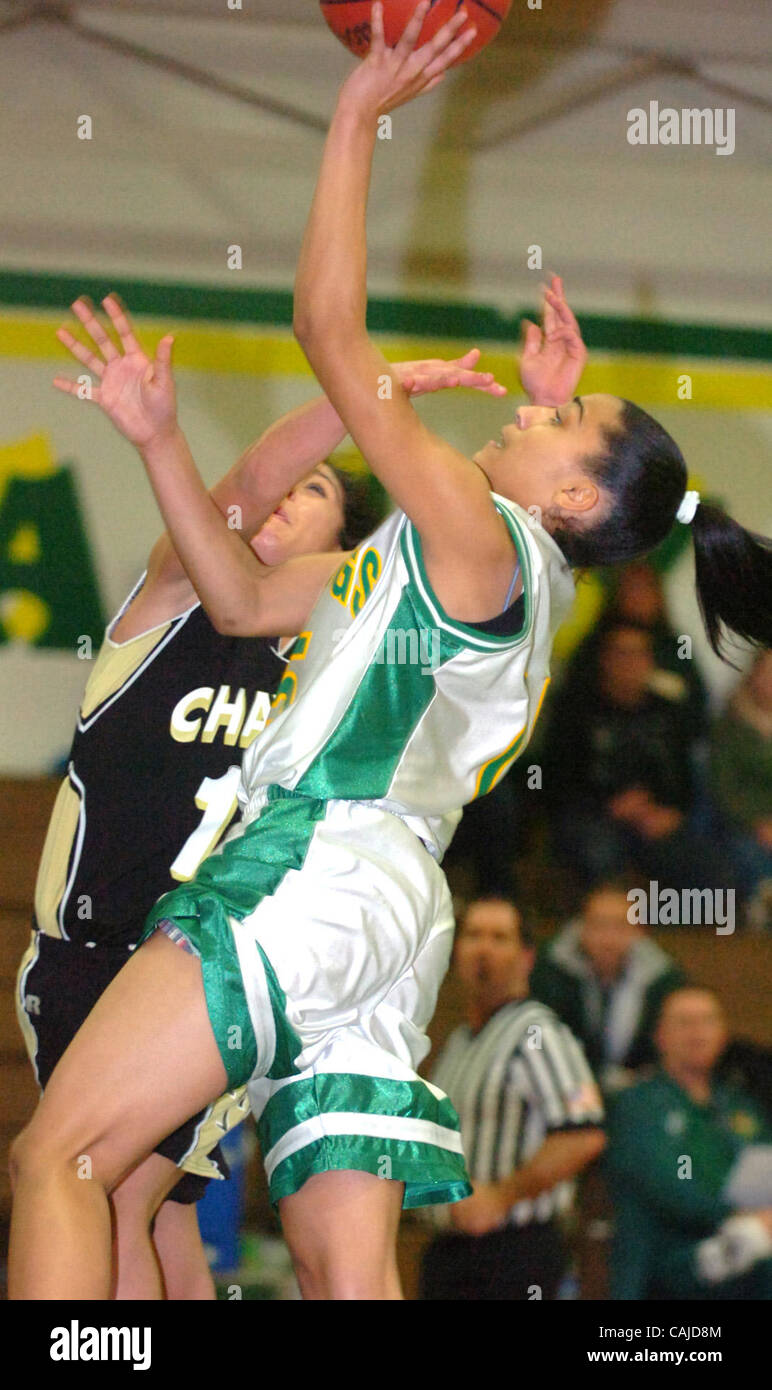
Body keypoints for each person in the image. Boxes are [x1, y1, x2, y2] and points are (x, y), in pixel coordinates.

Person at [9, 3, 772, 1302]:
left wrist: (356, 120)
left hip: (309, 868)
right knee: (306, 1248)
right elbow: (242, 598)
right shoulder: (463, 575)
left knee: (57, 1162)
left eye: (560, 416)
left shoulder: (480, 542)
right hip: (386, 915)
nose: (533, 405)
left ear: (577, 501)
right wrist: (155, 438)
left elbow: (327, 326)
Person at [14, 294, 502, 1298]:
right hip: (91, 949)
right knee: (120, 1209)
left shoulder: (323, 670)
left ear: (341, 540)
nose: (286, 496)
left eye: (317, 489)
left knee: (90, 1189)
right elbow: (237, 493)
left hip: (208, 970)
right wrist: (358, 398)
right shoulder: (174, 598)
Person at [420, 897, 605, 1300]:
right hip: (449, 1250)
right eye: (473, 936)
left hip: (513, 1250)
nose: (483, 948)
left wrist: (502, 1196)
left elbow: (584, 1133)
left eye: (499, 938)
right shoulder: (457, 1041)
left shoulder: (540, 1034)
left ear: (526, 957)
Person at [542, 619, 736, 894]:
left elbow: (684, 776)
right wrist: (607, 808)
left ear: (650, 661)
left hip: (657, 819)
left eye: (638, 654)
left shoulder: (669, 711)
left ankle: (679, 934)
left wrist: (671, 812)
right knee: (600, 854)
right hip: (592, 819)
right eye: (621, 654)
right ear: (604, 659)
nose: (630, 663)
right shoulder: (574, 712)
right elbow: (552, 782)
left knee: (713, 872)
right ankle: (607, 929)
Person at [606, 987, 772, 1299]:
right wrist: (737, 1216)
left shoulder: (739, 1106)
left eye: (707, 1021)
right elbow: (668, 1185)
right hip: (670, 1257)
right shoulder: (639, 1105)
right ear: (660, 1036)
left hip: (750, 1244)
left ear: (723, 1034)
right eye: (684, 1022)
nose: (698, 1033)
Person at [530, 879, 687, 1092]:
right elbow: (539, 1041)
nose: (608, 938)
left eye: (620, 926)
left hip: (639, 1093)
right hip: (564, 1088)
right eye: (599, 925)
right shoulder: (548, 973)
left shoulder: (664, 980)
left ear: (639, 931)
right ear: (581, 927)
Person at [709, 649, 772, 922]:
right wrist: (760, 824)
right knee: (747, 853)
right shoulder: (731, 724)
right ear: (754, 675)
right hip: (744, 823)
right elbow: (723, 786)